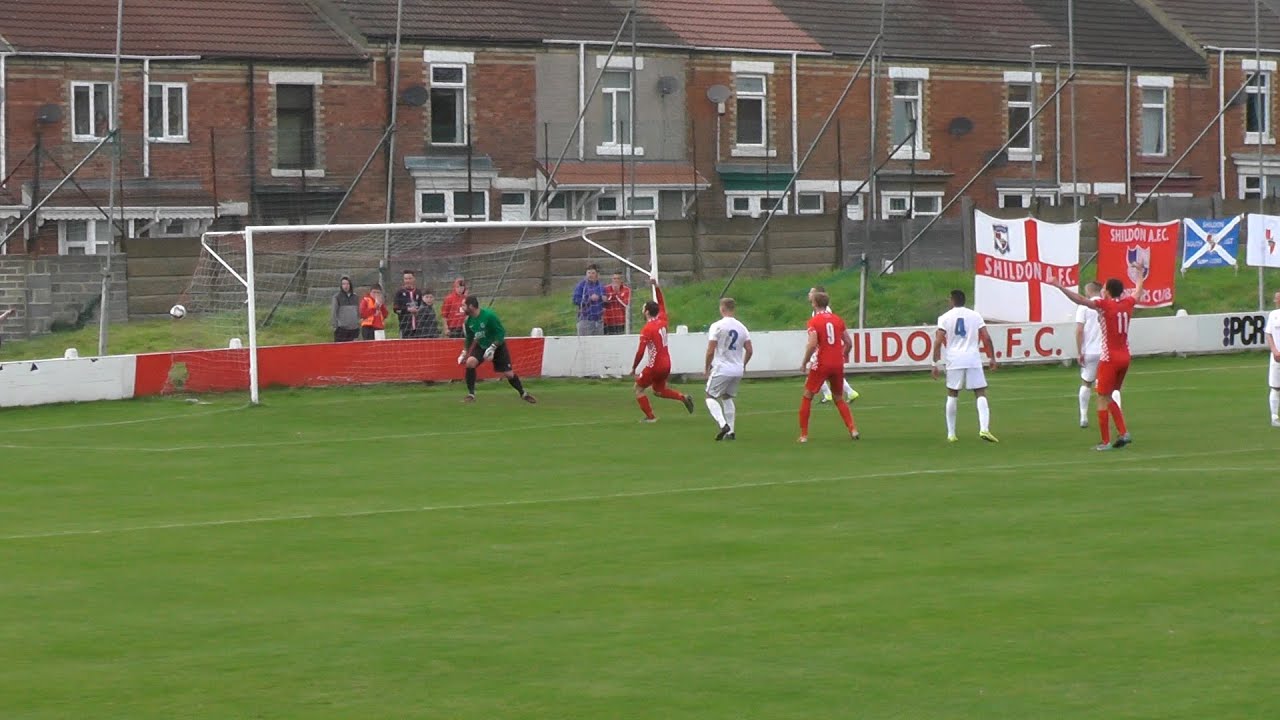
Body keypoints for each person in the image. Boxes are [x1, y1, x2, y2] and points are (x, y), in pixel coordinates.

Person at [1055, 269, 1143, 450]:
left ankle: (1105, 442)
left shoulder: (1105, 305)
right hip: (1125, 356)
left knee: (1102, 397)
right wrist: (1141, 275)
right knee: (1109, 396)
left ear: (1108, 291)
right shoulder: (1128, 303)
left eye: (1104, 288)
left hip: (1109, 357)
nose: (1102, 290)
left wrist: (1059, 286)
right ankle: (1124, 433)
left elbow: (1080, 300)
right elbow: (1138, 291)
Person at [932, 289, 999, 443]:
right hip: (973, 358)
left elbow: (938, 340)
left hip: (954, 359)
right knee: (980, 392)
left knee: (952, 393)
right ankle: (984, 429)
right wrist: (992, 357)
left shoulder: (944, 318)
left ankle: (951, 434)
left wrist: (934, 363)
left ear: (952, 300)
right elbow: (986, 338)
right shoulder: (975, 316)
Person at [798, 291, 859, 443]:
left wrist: (804, 362)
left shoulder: (814, 321)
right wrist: (842, 356)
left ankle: (804, 435)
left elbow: (812, 344)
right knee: (839, 397)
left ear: (814, 304)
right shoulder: (838, 319)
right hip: (837, 363)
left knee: (807, 395)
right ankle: (853, 429)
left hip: (822, 363)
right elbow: (849, 342)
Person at [632, 277, 695, 422]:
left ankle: (650, 417)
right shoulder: (663, 321)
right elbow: (662, 304)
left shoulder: (647, 329)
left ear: (647, 312)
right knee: (659, 391)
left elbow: (640, 351)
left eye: (643, 309)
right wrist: (657, 287)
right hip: (666, 363)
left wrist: (634, 367)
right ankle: (682, 397)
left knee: (638, 389)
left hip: (654, 365)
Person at [459, 296, 536, 404]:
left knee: (509, 374)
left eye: (463, 305)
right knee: (470, 363)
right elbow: (469, 338)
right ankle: (471, 394)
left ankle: (523, 393)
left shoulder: (489, 316)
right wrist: (464, 352)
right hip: (481, 345)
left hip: (497, 346)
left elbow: (500, 333)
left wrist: (493, 347)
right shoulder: (468, 321)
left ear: (471, 306)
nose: (461, 308)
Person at [1074, 281, 1122, 428]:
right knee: (1112, 386)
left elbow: (1079, 330)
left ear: (1088, 291)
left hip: (1090, 351)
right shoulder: (1108, 304)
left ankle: (1083, 416)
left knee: (1086, 383)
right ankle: (1118, 415)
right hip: (1107, 351)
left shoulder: (1083, 307)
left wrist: (1079, 351)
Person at [705, 297, 752, 441]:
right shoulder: (742, 327)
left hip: (722, 368)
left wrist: (706, 367)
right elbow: (749, 350)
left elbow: (711, 350)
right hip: (737, 369)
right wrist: (743, 365)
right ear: (734, 309)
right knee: (726, 397)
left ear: (722, 308)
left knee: (710, 396)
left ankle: (723, 424)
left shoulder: (717, 326)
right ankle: (731, 431)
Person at [808, 285, 859, 404]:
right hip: (823, 346)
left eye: (811, 293)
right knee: (824, 372)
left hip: (827, 347)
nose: (809, 295)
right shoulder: (815, 312)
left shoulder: (825, 312)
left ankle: (837, 393)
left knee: (816, 370)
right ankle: (836, 393)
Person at [573, 264, 607, 336]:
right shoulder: (581, 285)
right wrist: (589, 299)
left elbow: (604, 301)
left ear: (597, 274)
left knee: (598, 344)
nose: (590, 275)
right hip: (585, 320)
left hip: (599, 321)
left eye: (593, 273)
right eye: (588, 273)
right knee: (585, 344)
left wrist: (604, 300)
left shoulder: (601, 286)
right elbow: (575, 300)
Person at [393, 271, 426, 339]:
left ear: (414, 279)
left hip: (418, 327)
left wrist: (418, 311)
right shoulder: (399, 293)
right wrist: (407, 310)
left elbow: (422, 306)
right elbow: (396, 309)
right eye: (406, 279)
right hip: (405, 326)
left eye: (410, 278)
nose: (408, 281)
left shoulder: (418, 292)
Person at [331, 276, 361, 343]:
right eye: (343, 284)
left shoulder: (356, 297)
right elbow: (334, 313)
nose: (346, 286)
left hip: (354, 329)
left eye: (347, 284)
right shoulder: (337, 297)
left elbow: (359, 312)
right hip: (342, 329)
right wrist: (335, 326)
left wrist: (358, 324)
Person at [1267, 291, 1280, 427]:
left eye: (1277, 298)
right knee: (1275, 388)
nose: (1275, 300)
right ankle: (1274, 417)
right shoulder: (1273, 315)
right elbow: (1268, 334)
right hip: (1276, 357)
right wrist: (1274, 350)